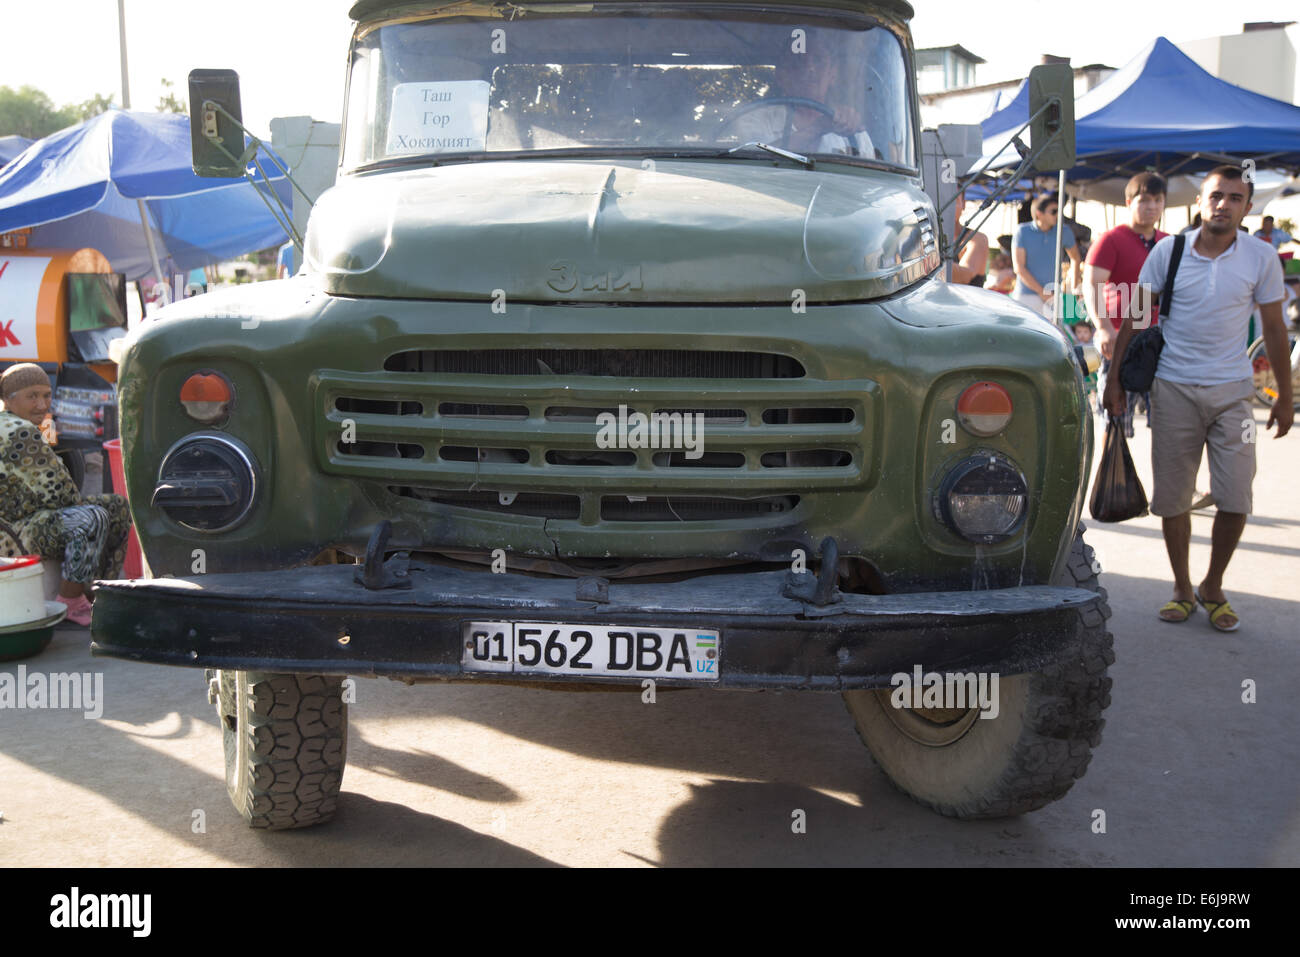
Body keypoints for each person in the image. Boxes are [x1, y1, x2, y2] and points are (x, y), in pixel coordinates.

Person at [1104, 165, 1292, 632]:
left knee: (1235, 497)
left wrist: (1285, 397)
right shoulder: (1169, 253)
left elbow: (1273, 329)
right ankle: (1183, 588)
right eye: (1215, 196)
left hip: (1234, 393)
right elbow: (1136, 318)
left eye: (1233, 197)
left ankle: (1214, 584)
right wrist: (1114, 381)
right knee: (1173, 498)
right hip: (1173, 389)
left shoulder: (1261, 258)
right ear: (1200, 204)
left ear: (1247, 208)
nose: (1223, 204)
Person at [0, 364, 131, 626]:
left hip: (27, 520)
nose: (41, 404)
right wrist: (85, 510)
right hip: (12, 533)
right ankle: (70, 600)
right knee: (90, 517)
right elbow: (60, 492)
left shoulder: (25, 424)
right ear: (8, 399)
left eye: (46, 395)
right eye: (32, 396)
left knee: (116, 506)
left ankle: (96, 592)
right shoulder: (18, 431)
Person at [1083, 171, 1169, 437]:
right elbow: (1092, 284)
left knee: (1168, 424)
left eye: (1157, 200)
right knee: (1116, 421)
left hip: (1160, 339)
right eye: (1144, 200)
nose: (1151, 206)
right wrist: (1104, 327)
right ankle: (1114, 478)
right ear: (1129, 202)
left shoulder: (1168, 242)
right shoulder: (1111, 239)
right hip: (1120, 337)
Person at [1011, 193, 1081, 320]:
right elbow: (1019, 268)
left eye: (1059, 211)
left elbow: (1076, 258)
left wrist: (1073, 288)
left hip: (1054, 297)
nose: (1058, 215)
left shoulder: (1064, 231)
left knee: (1054, 338)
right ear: (1039, 214)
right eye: (1054, 211)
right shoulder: (1022, 231)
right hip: (1026, 296)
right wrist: (1042, 292)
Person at [949, 193, 989, 286]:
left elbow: (965, 277)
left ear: (963, 204)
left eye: (954, 201)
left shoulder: (977, 238)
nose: (948, 207)